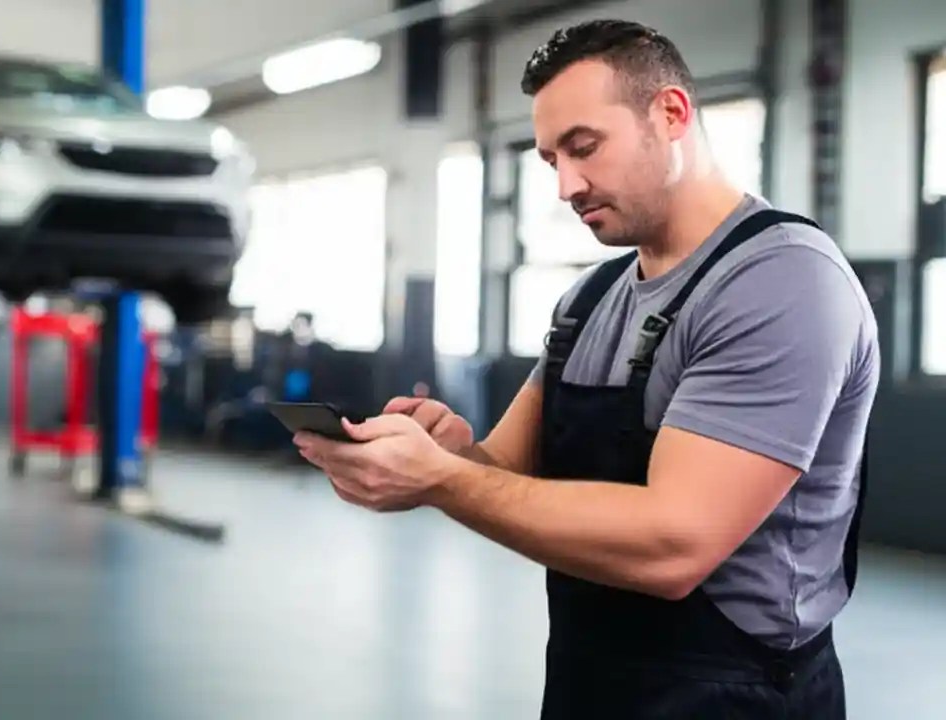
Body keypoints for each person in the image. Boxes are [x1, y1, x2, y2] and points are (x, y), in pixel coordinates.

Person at [294, 19, 878, 719]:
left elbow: (675, 545)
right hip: (591, 679)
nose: (567, 185)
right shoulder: (591, 297)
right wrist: (449, 453)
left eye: (584, 147)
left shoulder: (779, 282)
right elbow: (504, 471)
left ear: (670, 114)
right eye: (549, 160)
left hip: (735, 694)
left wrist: (443, 479)